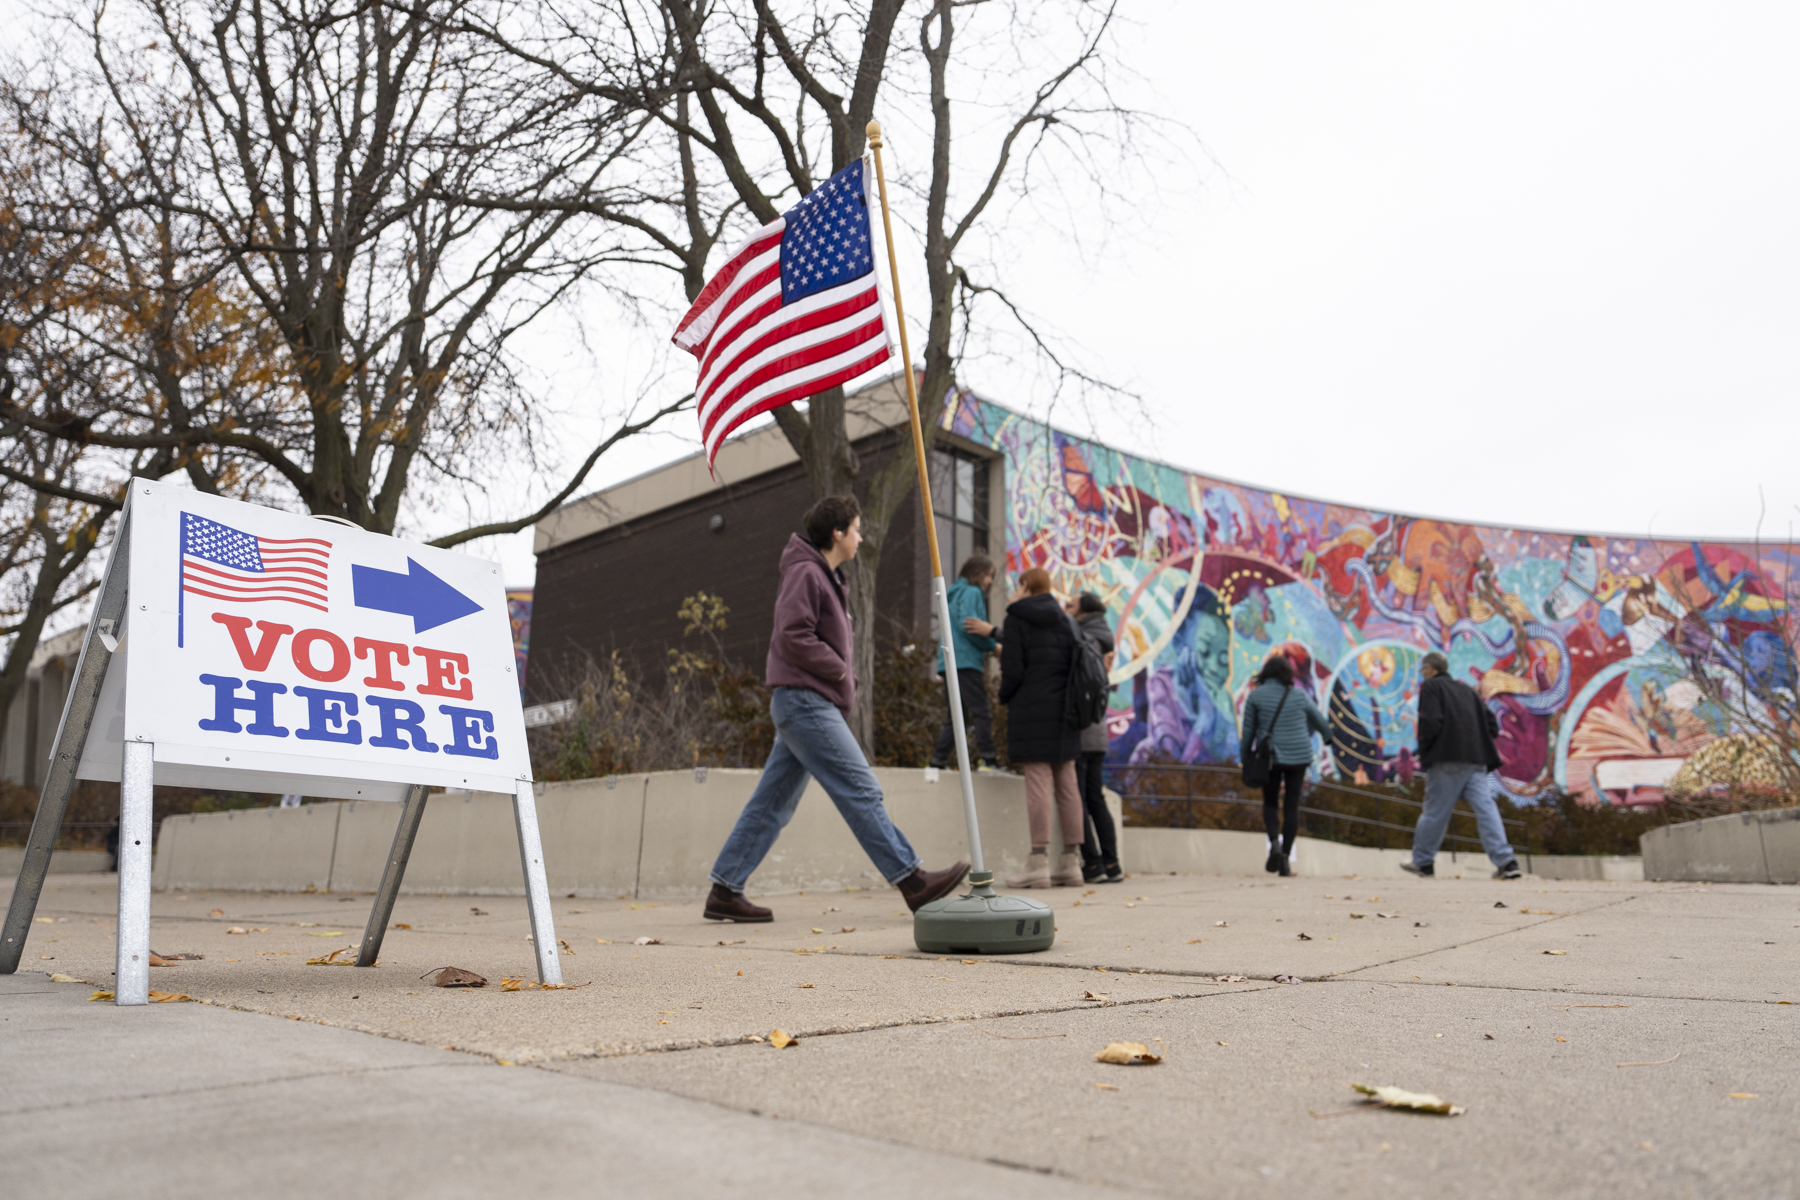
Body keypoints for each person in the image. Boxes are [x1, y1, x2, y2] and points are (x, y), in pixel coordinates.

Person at [705, 495, 969, 922]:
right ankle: (912, 880)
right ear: (837, 533)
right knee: (860, 788)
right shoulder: (806, 572)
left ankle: (724, 889)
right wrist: (841, 670)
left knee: (772, 803)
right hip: (805, 702)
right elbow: (793, 633)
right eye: (857, 530)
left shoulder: (825, 576)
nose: (861, 538)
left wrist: (843, 678)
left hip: (804, 701)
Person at [998, 567, 1084, 888]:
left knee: (1037, 783)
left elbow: (1013, 670)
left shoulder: (1017, 618)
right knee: (1068, 784)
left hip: (1032, 710)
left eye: (1018, 584)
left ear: (1025, 586)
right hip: (1065, 713)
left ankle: (1038, 862)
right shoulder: (1066, 620)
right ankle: (1071, 863)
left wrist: (1004, 696)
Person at [1403, 652, 1521, 880]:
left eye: (1422, 670)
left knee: (1435, 812)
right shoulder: (1467, 690)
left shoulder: (1431, 687)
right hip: (1476, 760)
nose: (1422, 674)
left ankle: (1423, 862)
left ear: (1430, 669)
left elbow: (1430, 721)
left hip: (1446, 760)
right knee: (1486, 810)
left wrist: (1426, 753)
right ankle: (1507, 862)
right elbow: (1491, 724)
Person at [1239, 653, 1331, 877]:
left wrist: (1246, 758)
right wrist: (1328, 737)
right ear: (1288, 674)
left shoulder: (1255, 696)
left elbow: (1248, 733)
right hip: (1299, 757)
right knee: (1291, 807)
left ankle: (1274, 844)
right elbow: (1319, 720)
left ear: (1265, 673)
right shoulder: (1299, 695)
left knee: (1270, 803)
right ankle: (1285, 861)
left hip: (1270, 758)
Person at [1067, 591, 1122, 883]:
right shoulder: (1101, 637)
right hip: (1098, 730)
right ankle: (1112, 863)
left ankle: (1093, 863)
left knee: (1078, 799)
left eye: (1071, 604)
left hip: (1082, 728)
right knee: (1095, 797)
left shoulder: (1083, 637)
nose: (1067, 607)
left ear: (1084, 610)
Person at [929, 553, 1001, 771]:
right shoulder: (972, 592)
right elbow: (970, 626)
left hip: (949, 662)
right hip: (966, 661)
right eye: (988, 575)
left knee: (957, 716)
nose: (989, 581)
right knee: (981, 710)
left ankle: (937, 761)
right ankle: (988, 760)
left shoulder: (954, 594)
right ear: (977, 573)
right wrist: (994, 646)